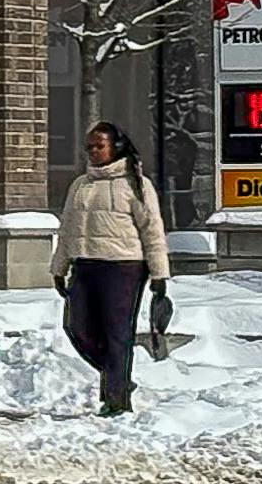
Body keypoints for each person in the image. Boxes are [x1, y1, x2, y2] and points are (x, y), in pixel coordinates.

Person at [56, 120, 174, 419]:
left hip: (124, 268)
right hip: (85, 265)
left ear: (116, 147)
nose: (94, 151)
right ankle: (117, 376)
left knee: (117, 333)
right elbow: (68, 229)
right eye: (90, 147)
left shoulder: (136, 184)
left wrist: (159, 275)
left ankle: (117, 400)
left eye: (100, 145)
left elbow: (152, 231)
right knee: (76, 327)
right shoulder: (80, 186)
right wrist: (59, 267)